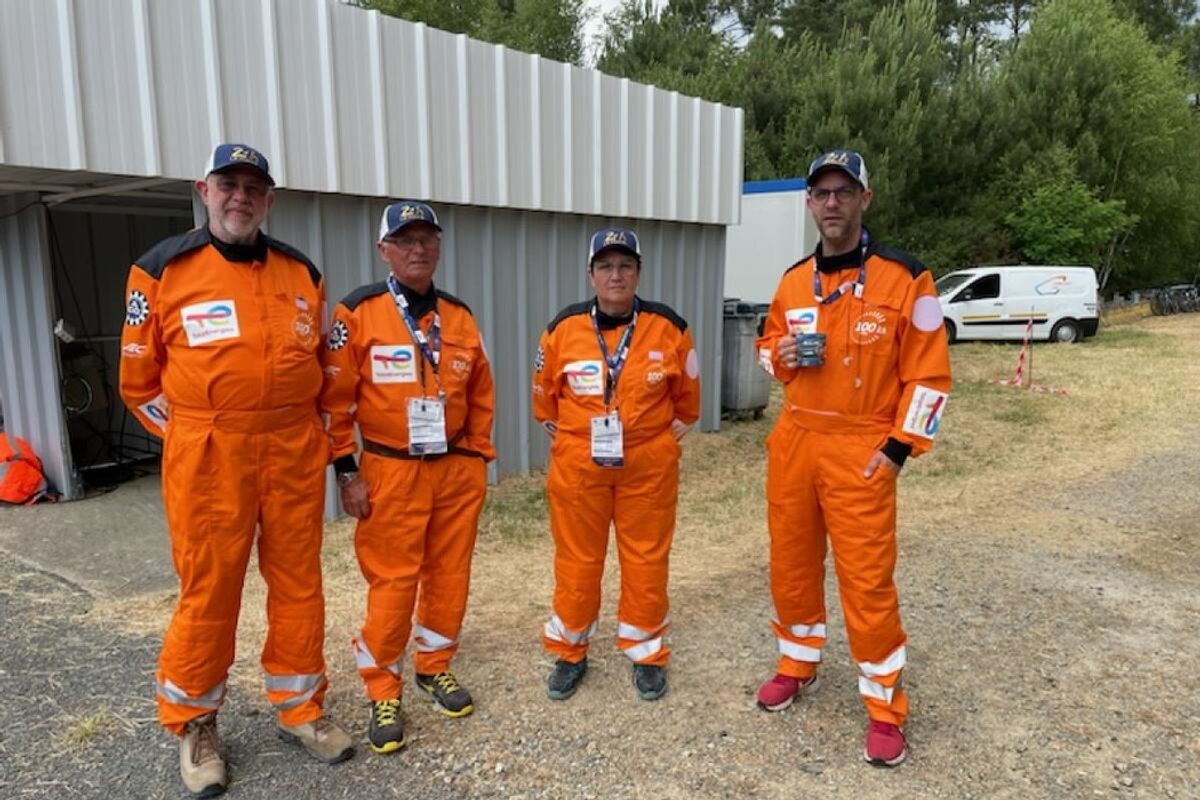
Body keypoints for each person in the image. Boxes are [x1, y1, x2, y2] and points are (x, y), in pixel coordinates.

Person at [119, 143, 354, 798]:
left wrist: (329, 450)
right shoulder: (160, 270)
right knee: (210, 587)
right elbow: (139, 384)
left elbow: (330, 377)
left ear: (269, 199)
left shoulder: (301, 272)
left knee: (299, 582)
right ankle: (196, 723)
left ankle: (301, 708)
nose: (239, 196)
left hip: (292, 451)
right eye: (228, 184)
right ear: (204, 189)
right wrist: (200, 437)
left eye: (253, 187)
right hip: (210, 451)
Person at [753, 149, 951, 767]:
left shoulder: (907, 277)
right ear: (809, 204)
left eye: (844, 192)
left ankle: (885, 705)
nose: (832, 203)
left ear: (865, 199)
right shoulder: (791, 281)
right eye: (822, 194)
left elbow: (932, 377)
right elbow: (765, 354)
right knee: (790, 563)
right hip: (796, 440)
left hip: (863, 447)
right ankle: (798, 661)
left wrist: (898, 449)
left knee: (865, 580)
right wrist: (781, 350)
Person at [320, 201, 495, 755]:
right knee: (394, 582)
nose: (417, 249)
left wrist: (476, 460)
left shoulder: (460, 318)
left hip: (454, 469)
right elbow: (334, 403)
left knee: (449, 574)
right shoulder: (358, 313)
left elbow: (482, 394)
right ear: (384, 250)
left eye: (426, 239)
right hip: (390, 469)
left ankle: (434, 664)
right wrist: (348, 472)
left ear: (438, 247)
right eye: (405, 240)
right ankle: (382, 686)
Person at [532, 227, 701, 702]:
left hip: (647, 465)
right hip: (578, 465)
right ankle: (569, 650)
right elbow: (544, 403)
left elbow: (688, 404)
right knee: (577, 560)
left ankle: (645, 650)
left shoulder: (669, 327)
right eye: (605, 266)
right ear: (590, 274)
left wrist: (656, 441)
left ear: (639, 272)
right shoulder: (561, 329)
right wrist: (576, 440)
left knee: (646, 558)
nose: (616, 275)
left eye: (625, 265)